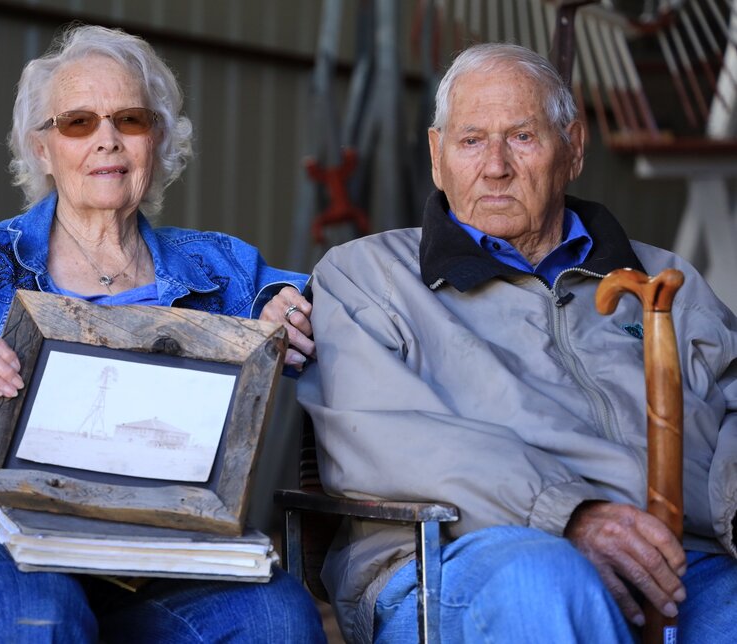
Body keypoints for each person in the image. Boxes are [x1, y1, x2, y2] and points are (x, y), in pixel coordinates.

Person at [0, 24, 320, 643]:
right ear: (42, 149)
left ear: (159, 140)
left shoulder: (218, 267)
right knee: (38, 616)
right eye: (78, 123)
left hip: (159, 542)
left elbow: (323, 300)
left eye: (131, 120)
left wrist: (287, 309)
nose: (107, 141)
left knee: (280, 620)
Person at [298, 42, 737, 644]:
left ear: (574, 148)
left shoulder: (666, 283)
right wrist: (569, 515)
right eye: (472, 140)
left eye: (522, 136)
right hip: (465, 562)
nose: (495, 166)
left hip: (680, 562)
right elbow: (377, 433)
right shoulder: (369, 276)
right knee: (543, 585)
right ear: (437, 155)